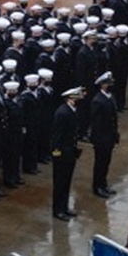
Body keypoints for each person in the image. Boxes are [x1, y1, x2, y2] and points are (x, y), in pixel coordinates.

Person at [50, 88, 82, 221]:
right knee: (60, 182)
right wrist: (56, 154)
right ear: (70, 98)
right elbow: (56, 136)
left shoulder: (71, 111)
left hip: (70, 151)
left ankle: (64, 207)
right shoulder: (62, 113)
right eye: (76, 98)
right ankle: (58, 210)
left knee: (67, 181)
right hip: (62, 153)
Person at [89, 73, 119, 199]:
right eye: (108, 83)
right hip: (102, 138)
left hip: (110, 136)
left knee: (106, 162)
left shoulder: (109, 97)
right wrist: (97, 139)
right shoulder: (97, 101)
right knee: (100, 163)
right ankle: (98, 187)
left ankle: (103, 183)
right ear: (102, 85)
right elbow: (96, 123)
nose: (110, 85)